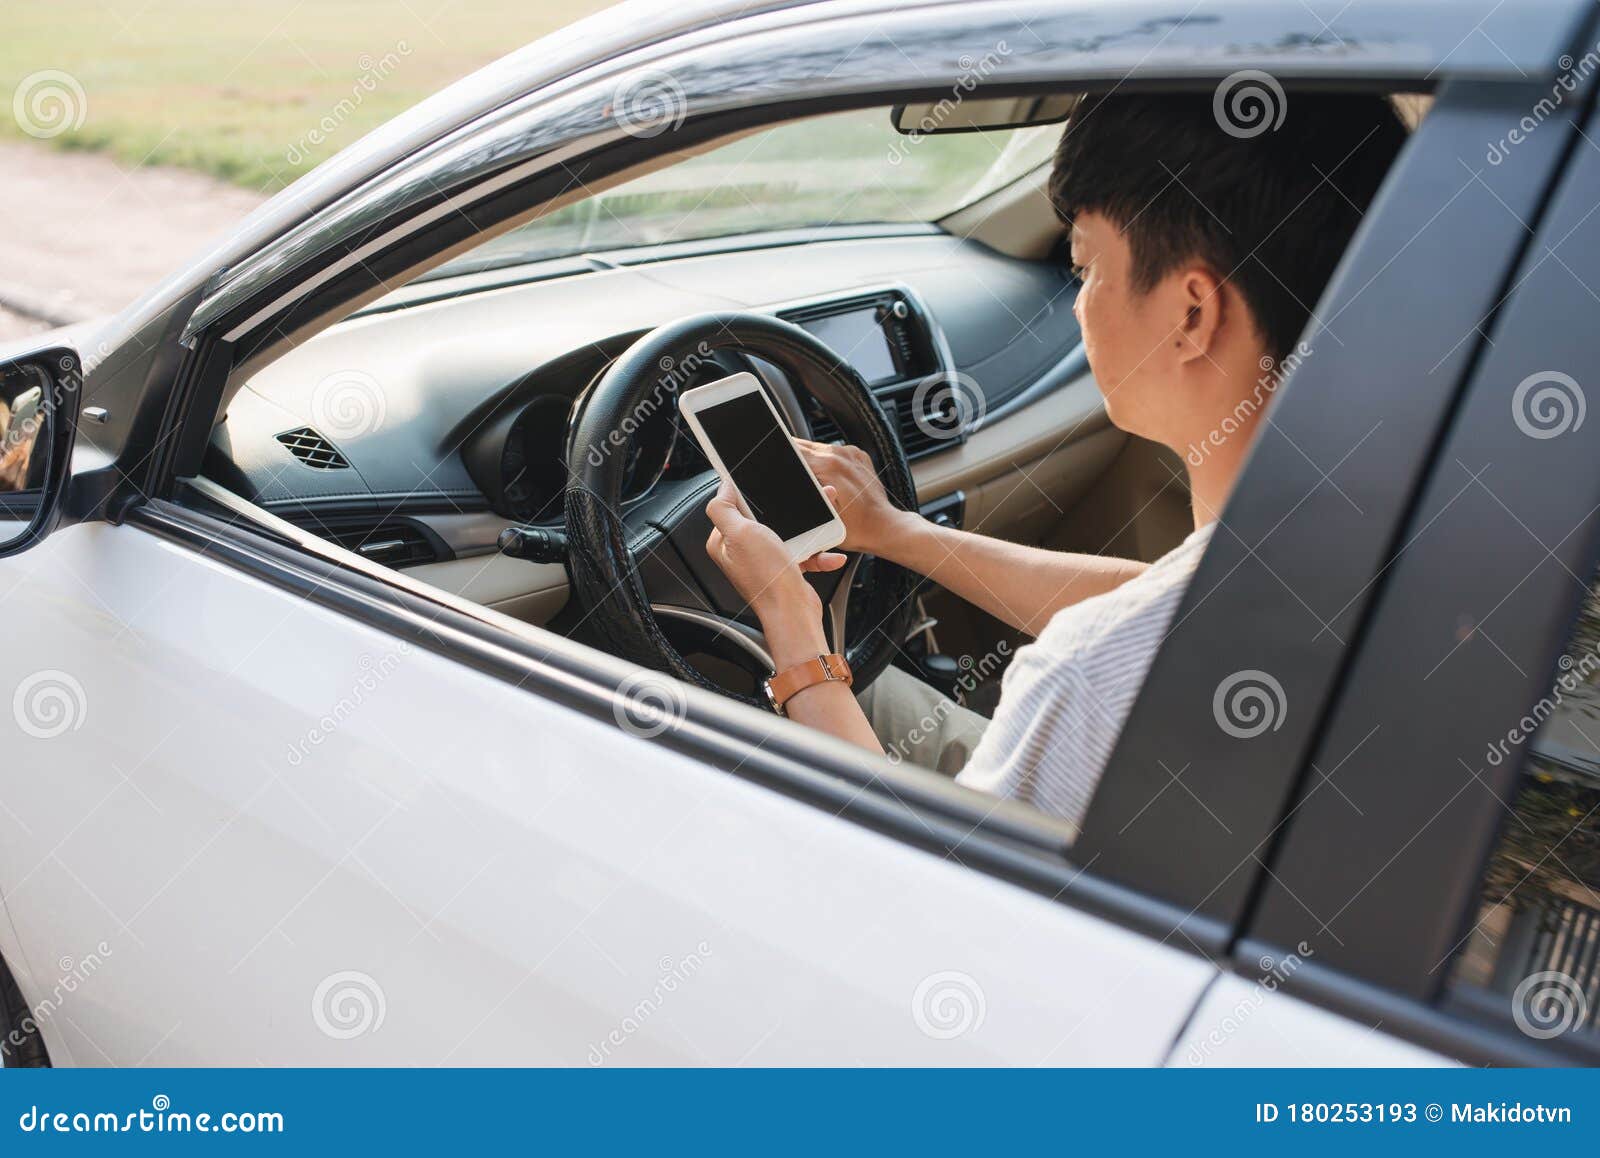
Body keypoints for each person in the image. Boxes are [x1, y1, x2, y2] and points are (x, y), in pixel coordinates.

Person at [703, 91, 1407, 828]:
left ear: (1192, 312)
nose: (1078, 305)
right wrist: (899, 532)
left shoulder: (1088, 676)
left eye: (1085, 268)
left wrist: (791, 627)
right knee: (880, 695)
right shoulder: (1397, 516)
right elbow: (1172, 599)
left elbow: (909, 888)